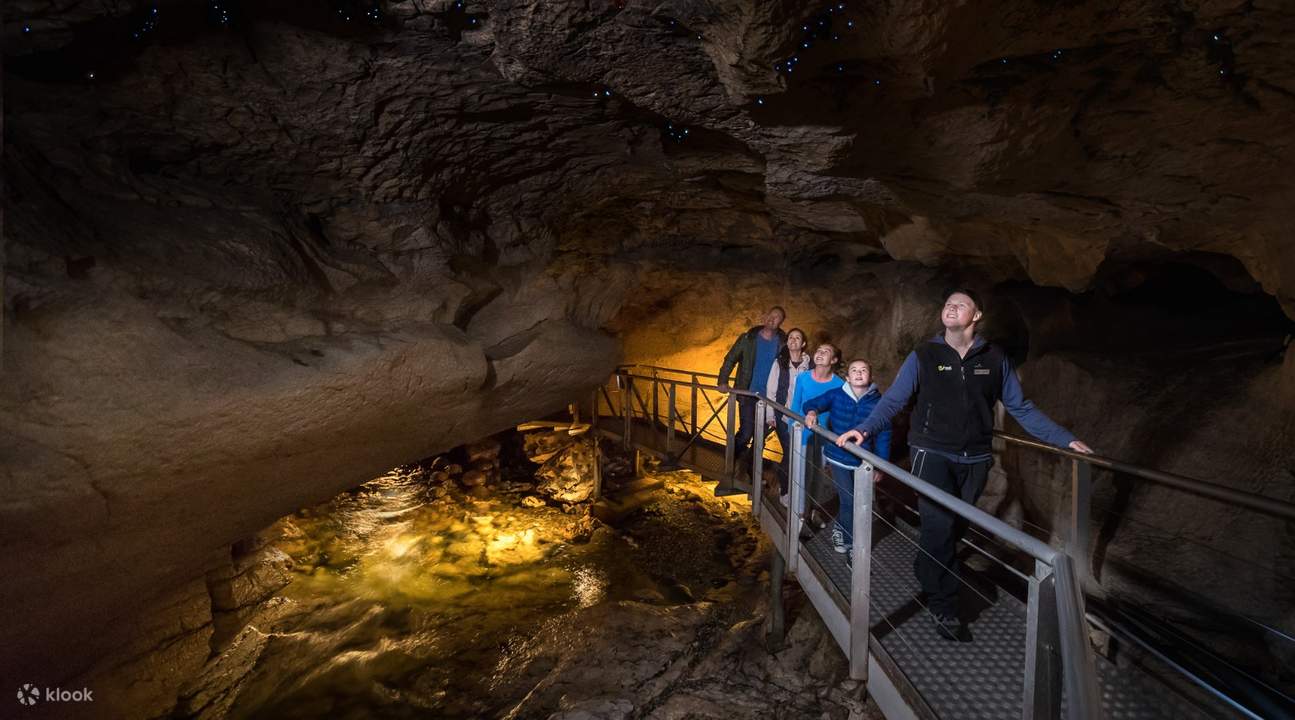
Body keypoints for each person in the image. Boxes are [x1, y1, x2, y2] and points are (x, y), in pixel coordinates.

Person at [836, 289, 1092, 642]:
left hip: (976, 458)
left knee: (952, 528)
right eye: (947, 303)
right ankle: (944, 606)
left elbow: (1021, 408)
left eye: (961, 304)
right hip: (930, 452)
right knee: (939, 526)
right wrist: (865, 429)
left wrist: (1064, 438)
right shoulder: (924, 355)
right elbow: (895, 399)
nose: (951, 307)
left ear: (976, 316)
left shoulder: (994, 358)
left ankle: (927, 566)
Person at [804, 359, 891, 558]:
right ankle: (850, 541)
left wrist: (880, 467)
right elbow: (813, 403)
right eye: (854, 370)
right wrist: (811, 412)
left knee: (861, 502)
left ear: (871, 376)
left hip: (864, 463)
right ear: (847, 377)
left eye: (863, 370)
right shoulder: (837, 395)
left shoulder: (879, 403)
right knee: (849, 500)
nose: (859, 373)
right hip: (839, 458)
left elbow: (884, 436)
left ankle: (840, 529)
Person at [717, 306, 787, 478]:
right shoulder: (748, 339)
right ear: (764, 317)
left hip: (769, 398)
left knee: (760, 437)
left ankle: (750, 470)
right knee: (747, 431)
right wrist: (722, 380)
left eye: (777, 317)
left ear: (780, 322)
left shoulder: (782, 344)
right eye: (770, 315)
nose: (772, 319)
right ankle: (729, 461)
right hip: (747, 392)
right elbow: (731, 358)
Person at [764, 328, 811, 503]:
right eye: (791, 337)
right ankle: (785, 491)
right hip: (783, 416)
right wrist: (770, 415)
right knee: (791, 452)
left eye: (797, 338)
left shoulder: (810, 365)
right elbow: (770, 389)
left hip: (803, 418)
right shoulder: (780, 363)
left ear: (803, 344)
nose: (793, 340)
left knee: (798, 455)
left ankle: (795, 491)